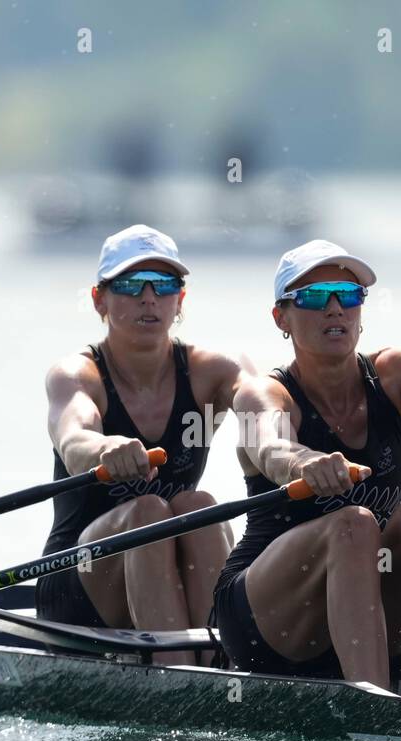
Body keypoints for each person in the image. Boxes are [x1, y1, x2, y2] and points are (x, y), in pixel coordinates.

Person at [212, 240, 401, 693]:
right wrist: (305, 461)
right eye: (315, 298)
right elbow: (271, 448)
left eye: (348, 296)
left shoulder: (398, 371)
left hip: (361, 606)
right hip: (268, 621)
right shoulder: (264, 394)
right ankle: (375, 700)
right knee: (352, 523)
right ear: (281, 318)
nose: (335, 309)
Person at [39, 225, 243, 652]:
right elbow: (73, 438)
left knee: (197, 505)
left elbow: (270, 406)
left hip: (166, 573)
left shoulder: (211, 373)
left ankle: (223, 666)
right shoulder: (78, 374)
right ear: (99, 299)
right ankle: (183, 674)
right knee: (148, 511)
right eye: (131, 285)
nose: (149, 298)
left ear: (179, 301)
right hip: (79, 586)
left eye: (165, 285)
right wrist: (104, 448)